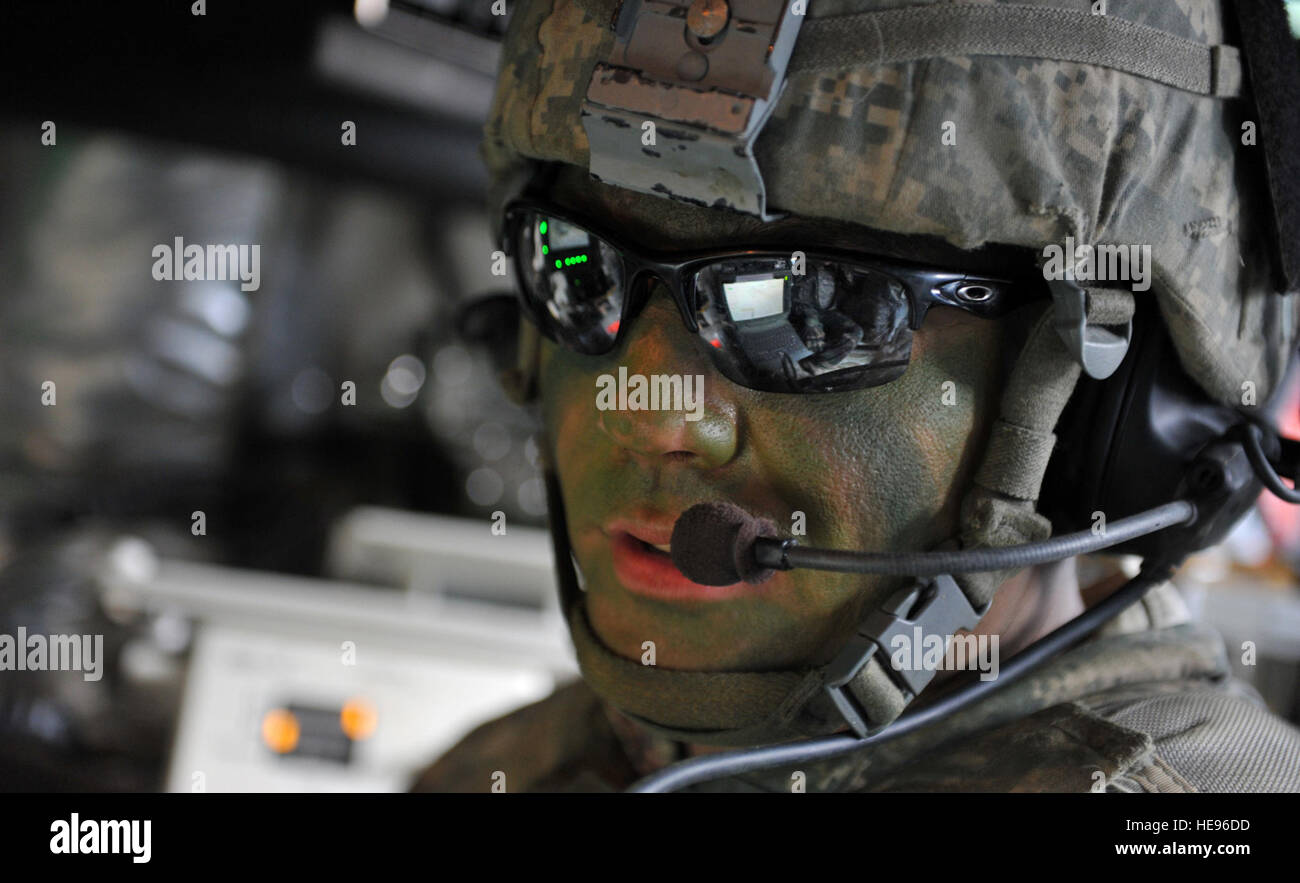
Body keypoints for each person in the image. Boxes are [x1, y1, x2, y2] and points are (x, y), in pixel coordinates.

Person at [414, 0, 1300, 792]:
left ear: (1103, 419)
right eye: (577, 270)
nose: (650, 412)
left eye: (808, 311)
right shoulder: (507, 767)